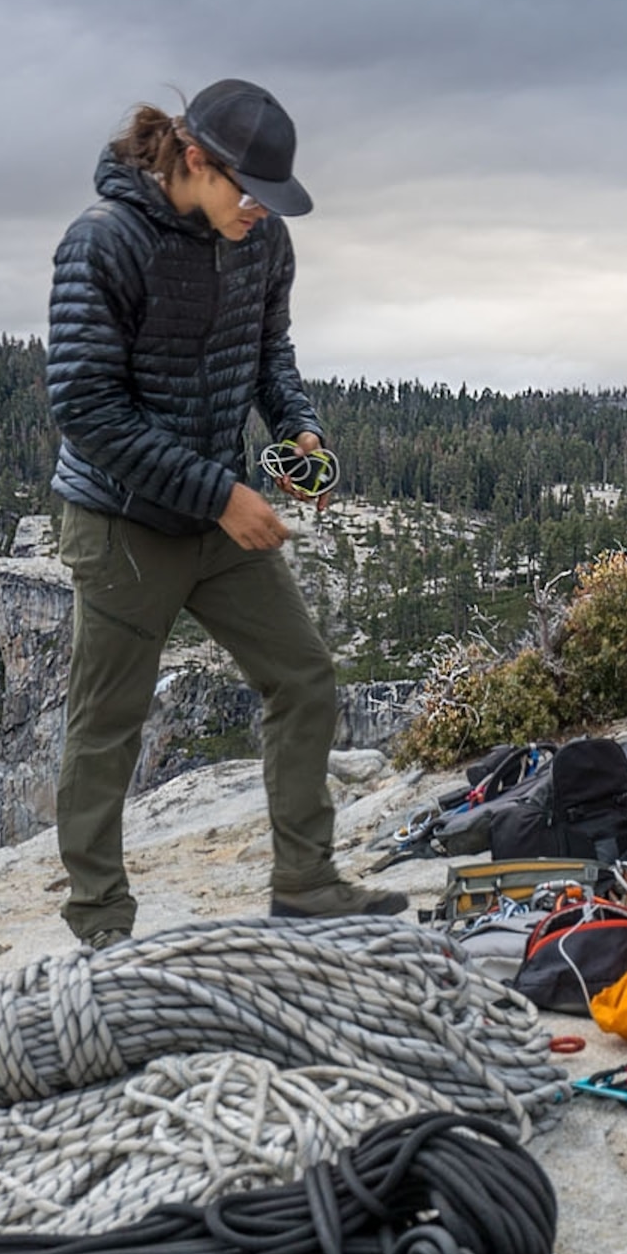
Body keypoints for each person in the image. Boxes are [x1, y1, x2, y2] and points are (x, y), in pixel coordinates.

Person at [42, 77, 403, 943]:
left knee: (305, 679)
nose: (259, 212)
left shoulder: (261, 242)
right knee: (107, 724)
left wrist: (298, 428)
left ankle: (307, 885)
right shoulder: (102, 243)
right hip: (123, 523)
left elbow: (269, 350)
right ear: (193, 161)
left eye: (271, 198)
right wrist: (222, 494)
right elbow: (86, 411)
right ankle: (100, 923)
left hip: (217, 514)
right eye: (247, 191)